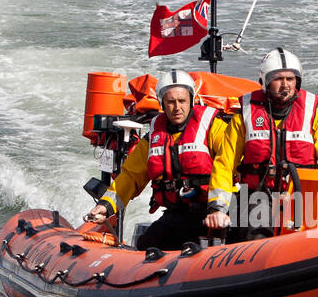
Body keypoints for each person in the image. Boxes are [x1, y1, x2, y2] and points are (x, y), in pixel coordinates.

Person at [85, 69, 232, 249]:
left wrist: (219, 209)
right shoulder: (154, 136)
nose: (177, 107)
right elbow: (131, 176)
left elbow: (229, 164)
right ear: (162, 104)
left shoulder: (213, 127)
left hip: (212, 213)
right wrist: (106, 206)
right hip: (177, 214)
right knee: (146, 245)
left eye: (182, 101)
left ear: (191, 101)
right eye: (171, 102)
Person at [212, 47, 318, 237]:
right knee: (255, 237)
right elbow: (224, 164)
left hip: (303, 197)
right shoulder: (245, 116)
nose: (285, 85)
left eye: (290, 79)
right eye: (278, 79)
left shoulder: (313, 115)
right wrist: (217, 207)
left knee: (315, 242)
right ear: (265, 82)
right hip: (256, 196)